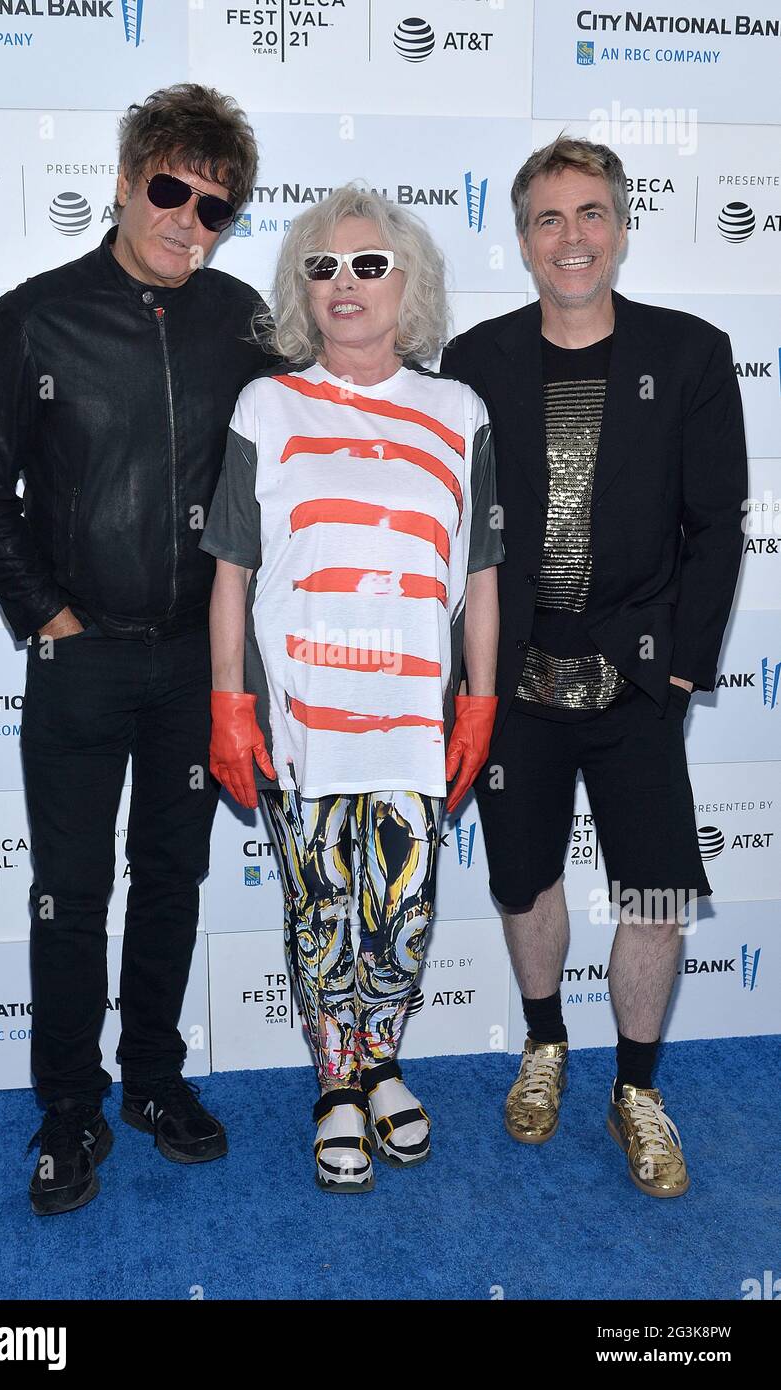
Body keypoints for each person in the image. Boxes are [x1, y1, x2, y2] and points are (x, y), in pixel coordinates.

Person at [0, 84, 271, 1215]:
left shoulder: (242, 320)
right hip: (77, 660)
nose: (189, 222)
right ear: (129, 178)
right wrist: (52, 619)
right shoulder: (34, 316)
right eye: (172, 192)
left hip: (195, 662)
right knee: (70, 893)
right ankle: (68, 1106)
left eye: (216, 207)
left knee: (173, 881)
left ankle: (150, 1079)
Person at [441, 137, 747, 1198]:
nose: (570, 238)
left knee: (655, 892)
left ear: (618, 225)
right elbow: (455, 535)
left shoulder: (692, 352)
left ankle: (636, 1089)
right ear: (520, 236)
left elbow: (715, 527)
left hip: (634, 676)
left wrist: (675, 676)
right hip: (511, 678)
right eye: (547, 219)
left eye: (589, 215)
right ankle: (541, 1043)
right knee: (523, 881)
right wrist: (464, 674)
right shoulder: (473, 363)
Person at [201, 186, 502, 1191]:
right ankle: (335, 1081)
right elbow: (232, 571)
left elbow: (479, 577)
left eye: (367, 264)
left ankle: (382, 1063)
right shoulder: (265, 405)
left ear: (404, 282)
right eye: (322, 266)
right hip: (302, 722)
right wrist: (228, 702)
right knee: (318, 907)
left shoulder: (458, 412)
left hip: (417, 721)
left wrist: (481, 700)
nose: (342, 284)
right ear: (301, 287)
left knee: (402, 913)